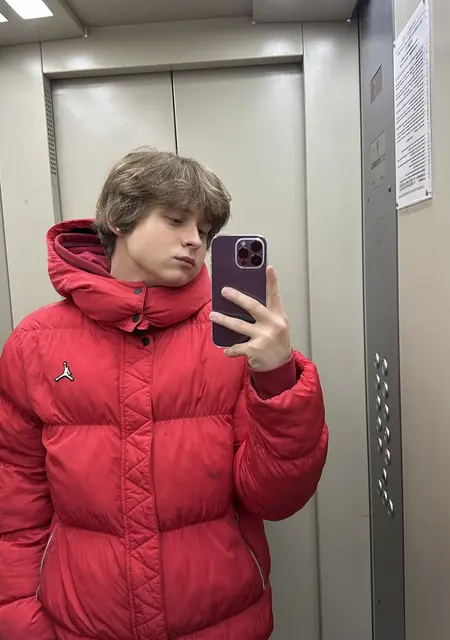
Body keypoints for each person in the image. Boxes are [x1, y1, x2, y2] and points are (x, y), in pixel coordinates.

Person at [0, 149, 328, 640]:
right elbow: (15, 507)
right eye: (176, 220)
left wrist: (278, 377)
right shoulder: (35, 343)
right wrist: (22, 626)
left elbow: (276, 497)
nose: (195, 240)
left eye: (205, 231)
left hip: (222, 620)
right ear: (119, 219)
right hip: (80, 622)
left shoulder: (235, 340)